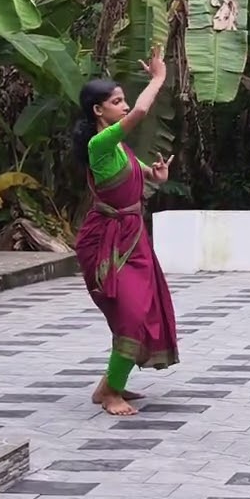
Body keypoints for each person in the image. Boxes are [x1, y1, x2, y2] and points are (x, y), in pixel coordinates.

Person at [72, 47, 178, 417]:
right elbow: (141, 113)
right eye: (117, 101)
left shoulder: (117, 145)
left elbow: (136, 172)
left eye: (124, 100)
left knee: (141, 311)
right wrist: (158, 78)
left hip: (133, 238)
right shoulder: (99, 143)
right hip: (107, 241)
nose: (125, 105)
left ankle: (109, 385)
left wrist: (155, 175)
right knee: (131, 315)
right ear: (98, 111)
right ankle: (111, 393)